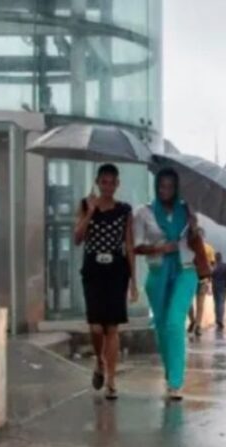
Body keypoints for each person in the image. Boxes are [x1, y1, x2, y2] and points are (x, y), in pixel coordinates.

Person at [133, 168, 200, 400]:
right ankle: (170, 371)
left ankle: (176, 382)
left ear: (177, 188)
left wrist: (193, 226)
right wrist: (161, 248)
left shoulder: (187, 210)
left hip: (186, 271)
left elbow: (195, 242)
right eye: (162, 186)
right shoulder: (144, 212)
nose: (166, 191)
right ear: (156, 186)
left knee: (174, 323)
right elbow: (136, 247)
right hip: (158, 273)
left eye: (171, 186)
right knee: (161, 328)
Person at [73, 163, 136, 400]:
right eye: (104, 181)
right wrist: (90, 212)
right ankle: (99, 361)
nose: (108, 186)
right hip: (93, 269)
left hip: (116, 270)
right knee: (96, 326)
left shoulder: (124, 210)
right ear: (98, 182)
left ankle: (111, 379)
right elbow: (78, 238)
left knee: (112, 326)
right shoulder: (85, 205)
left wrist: (134, 281)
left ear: (117, 184)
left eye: (112, 182)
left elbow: (128, 244)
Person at [188, 232, 216, 338]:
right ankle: (197, 324)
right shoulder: (209, 248)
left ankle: (194, 322)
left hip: (191, 277)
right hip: (203, 278)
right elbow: (212, 267)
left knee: (189, 302)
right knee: (200, 303)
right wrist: (209, 280)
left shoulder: (189, 248)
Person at [210, 252, 226, 332]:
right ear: (221, 258)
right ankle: (220, 319)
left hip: (216, 286)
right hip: (225, 287)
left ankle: (218, 319)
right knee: (222, 303)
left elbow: (211, 275)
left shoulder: (215, 267)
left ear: (215, 258)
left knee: (217, 303)